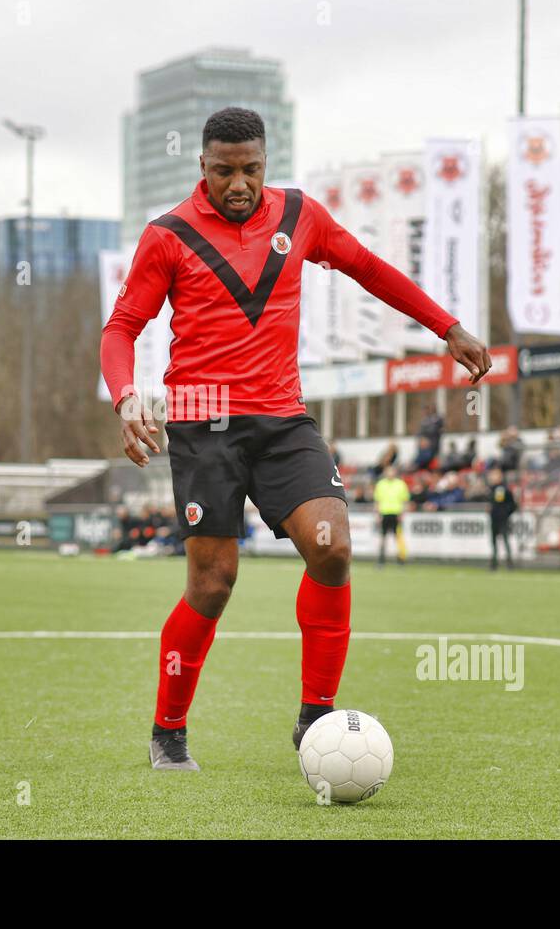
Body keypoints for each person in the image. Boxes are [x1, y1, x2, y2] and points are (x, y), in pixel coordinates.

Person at [99, 106, 491, 770]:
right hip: (203, 422)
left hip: (283, 420)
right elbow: (122, 328)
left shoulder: (299, 215)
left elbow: (367, 267)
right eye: (224, 171)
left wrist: (445, 325)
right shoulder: (167, 235)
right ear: (203, 167)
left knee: (333, 548)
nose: (239, 183)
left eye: (251, 169)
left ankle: (316, 717)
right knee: (214, 583)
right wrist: (127, 396)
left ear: (265, 161)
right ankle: (169, 732)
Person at [373, 467, 410, 566]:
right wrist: (377, 514)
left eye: (392, 471)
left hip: (396, 514)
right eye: (388, 471)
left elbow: (405, 500)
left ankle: (401, 559)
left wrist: (402, 514)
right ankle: (381, 559)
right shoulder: (380, 484)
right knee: (383, 537)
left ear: (395, 472)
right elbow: (377, 501)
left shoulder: (401, 484)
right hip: (384, 514)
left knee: (398, 537)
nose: (390, 473)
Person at [487, 467, 517, 571]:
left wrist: (505, 513)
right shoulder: (492, 488)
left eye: (494, 475)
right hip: (494, 518)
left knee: (504, 540)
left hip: (502, 519)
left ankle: (509, 562)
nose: (491, 477)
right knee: (494, 541)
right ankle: (494, 563)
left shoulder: (502, 489)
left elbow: (512, 505)